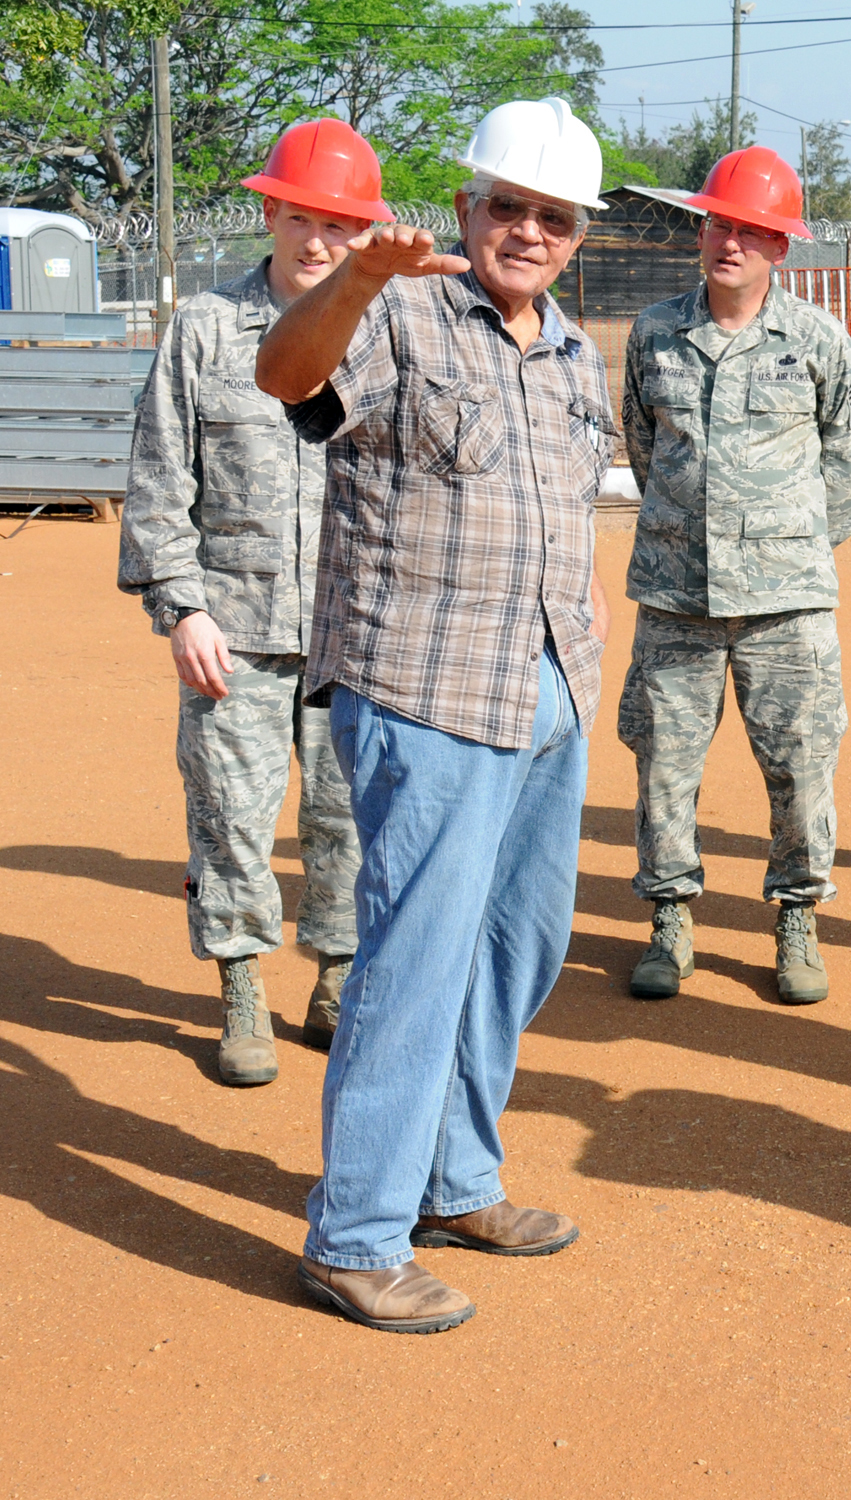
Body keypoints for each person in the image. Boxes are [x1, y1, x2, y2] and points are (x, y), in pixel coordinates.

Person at [253, 97, 617, 1333]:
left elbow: (564, 510)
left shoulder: (573, 353)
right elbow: (285, 377)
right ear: (466, 205)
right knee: (413, 961)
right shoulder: (397, 311)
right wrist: (357, 278)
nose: (528, 231)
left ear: (578, 236)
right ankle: (356, 1234)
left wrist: (580, 646)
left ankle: (454, 1182)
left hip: (546, 687)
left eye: (554, 217)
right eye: (508, 206)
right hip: (424, 688)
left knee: (520, 948)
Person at [118, 120, 386, 1086]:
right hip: (234, 627)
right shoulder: (205, 328)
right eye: (301, 217)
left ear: (365, 232)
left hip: (358, 630)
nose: (317, 240)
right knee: (230, 814)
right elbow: (160, 475)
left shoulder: (386, 332)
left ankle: (336, 975)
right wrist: (182, 608)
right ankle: (240, 986)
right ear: (269, 212)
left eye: (339, 224)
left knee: (350, 815)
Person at [617, 146, 851, 1006]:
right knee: (664, 763)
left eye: (753, 231)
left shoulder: (817, 339)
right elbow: (644, 444)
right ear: (701, 231)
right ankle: (669, 917)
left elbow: (850, 454)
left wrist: (796, 544)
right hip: (675, 594)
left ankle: (797, 915)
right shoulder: (655, 332)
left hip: (785, 601)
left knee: (800, 763)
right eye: (719, 225)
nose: (731, 243)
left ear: (782, 246)